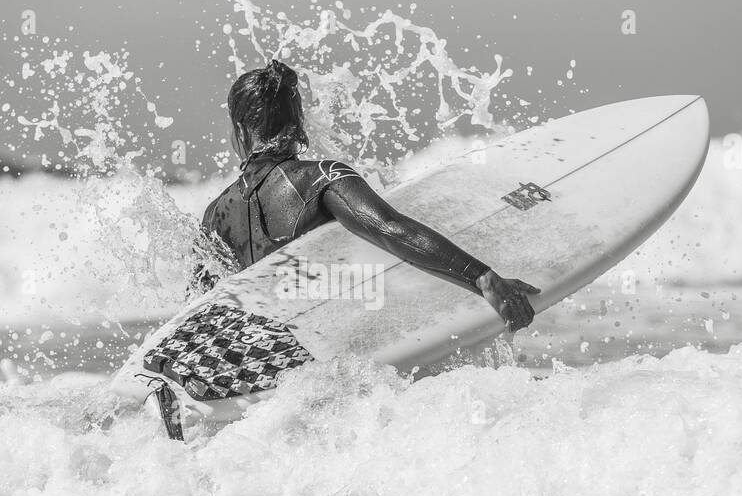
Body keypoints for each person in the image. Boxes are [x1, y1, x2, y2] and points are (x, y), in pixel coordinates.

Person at [196, 59, 540, 331]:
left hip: (260, 355)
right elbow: (390, 229)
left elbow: (195, 308)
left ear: (239, 130)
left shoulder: (213, 215)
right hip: (327, 341)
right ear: (299, 120)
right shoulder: (321, 178)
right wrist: (482, 277)